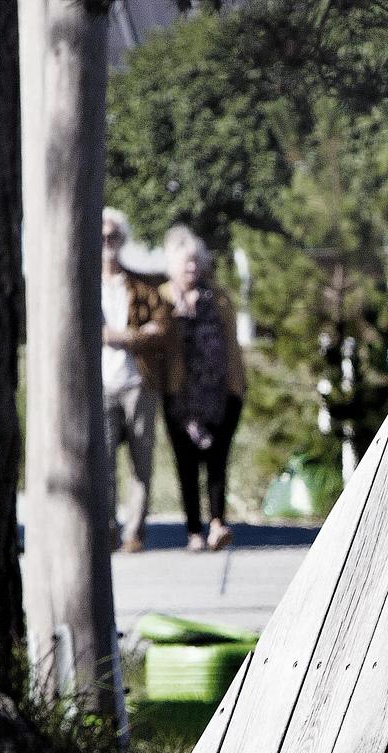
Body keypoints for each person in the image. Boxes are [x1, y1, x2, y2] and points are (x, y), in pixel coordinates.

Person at [160, 225, 246, 551]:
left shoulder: (218, 297)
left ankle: (218, 523)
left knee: (218, 459)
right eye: (185, 262)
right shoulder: (162, 298)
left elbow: (233, 343)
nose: (191, 267)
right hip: (180, 395)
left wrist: (238, 386)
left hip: (219, 393)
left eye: (196, 261)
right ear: (172, 265)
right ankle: (194, 530)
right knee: (186, 463)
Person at [100, 209, 171, 554]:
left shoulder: (142, 286)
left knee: (141, 461)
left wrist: (119, 337)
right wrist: (136, 334)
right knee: (103, 462)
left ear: (123, 239)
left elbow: (161, 329)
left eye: (113, 236)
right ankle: (108, 528)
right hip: (101, 385)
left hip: (138, 382)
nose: (107, 242)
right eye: (102, 236)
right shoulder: (86, 286)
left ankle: (134, 531)